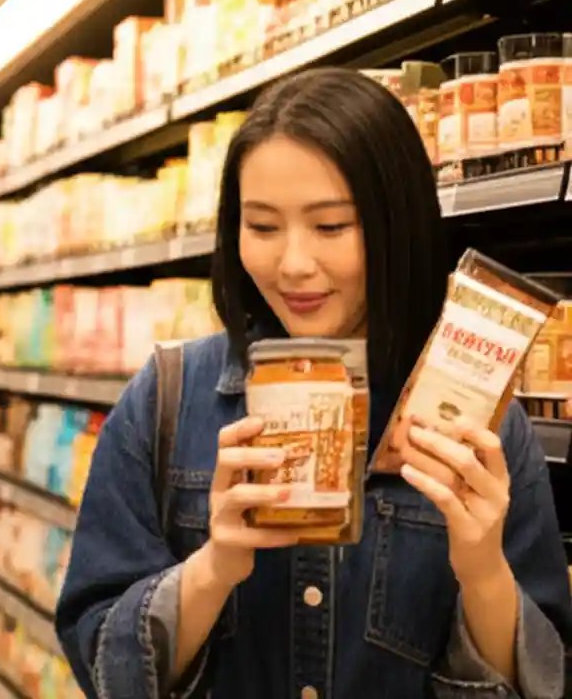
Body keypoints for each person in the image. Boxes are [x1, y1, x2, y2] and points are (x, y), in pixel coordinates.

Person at [55, 68, 572, 699]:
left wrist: (483, 572)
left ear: (394, 224)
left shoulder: (481, 429)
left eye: (331, 227)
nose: (294, 264)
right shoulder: (165, 401)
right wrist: (214, 568)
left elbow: (550, 678)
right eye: (263, 227)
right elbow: (96, 659)